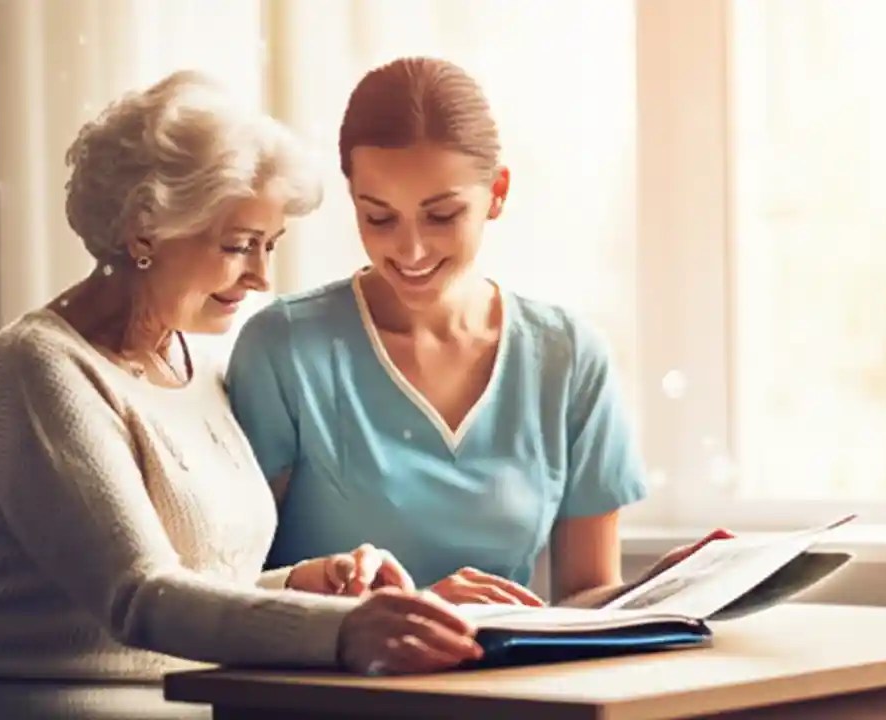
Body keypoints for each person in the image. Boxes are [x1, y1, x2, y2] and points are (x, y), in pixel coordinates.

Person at [0, 70, 484, 720]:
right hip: (43, 704)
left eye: (270, 246)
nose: (262, 277)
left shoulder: (201, 364)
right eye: (239, 246)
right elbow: (136, 597)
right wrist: (342, 633)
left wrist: (315, 588)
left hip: (194, 702)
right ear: (144, 231)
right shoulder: (37, 369)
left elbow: (201, 590)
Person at [226, 57, 728, 611]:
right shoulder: (285, 348)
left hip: (507, 689)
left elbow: (581, 600)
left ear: (498, 193)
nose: (410, 250)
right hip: (332, 690)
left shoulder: (569, 358)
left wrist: (661, 590)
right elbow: (229, 592)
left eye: (441, 216)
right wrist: (416, 607)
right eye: (379, 217)